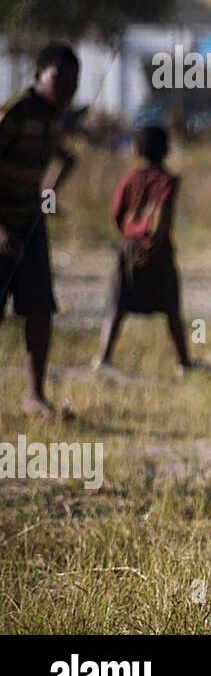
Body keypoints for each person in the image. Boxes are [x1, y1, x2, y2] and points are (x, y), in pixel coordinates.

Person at [0, 44, 80, 418]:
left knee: (39, 308)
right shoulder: (14, 113)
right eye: (59, 79)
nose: (66, 89)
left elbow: (66, 157)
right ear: (39, 75)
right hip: (3, 226)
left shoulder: (54, 118)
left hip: (30, 225)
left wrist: (50, 193)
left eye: (73, 83)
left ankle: (34, 395)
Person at [94, 126, 197, 373]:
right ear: (166, 150)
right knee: (171, 308)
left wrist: (130, 235)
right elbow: (163, 216)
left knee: (117, 305)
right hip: (158, 249)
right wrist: (154, 243)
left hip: (129, 249)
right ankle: (183, 363)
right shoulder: (167, 181)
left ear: (138, 150)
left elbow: (116, 213)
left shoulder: (130, 178)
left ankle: (104, 359)